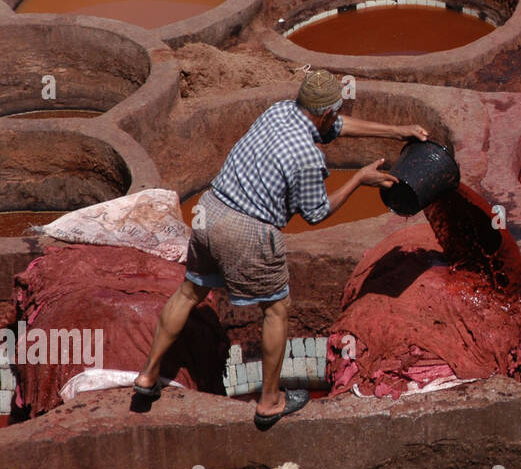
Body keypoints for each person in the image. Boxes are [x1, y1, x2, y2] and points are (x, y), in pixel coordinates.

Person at [133, 70, 426, 429]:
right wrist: (358, 180)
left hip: (210, 212)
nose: (335, 122)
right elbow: (316, 214)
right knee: (276, 310)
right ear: (325, 113)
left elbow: (336, 126)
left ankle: (147, 377)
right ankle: (270, 402)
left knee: (190, 291)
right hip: (248, 230)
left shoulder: (280, 111)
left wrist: (398, 131)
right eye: (333, 115)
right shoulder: (306, 156)